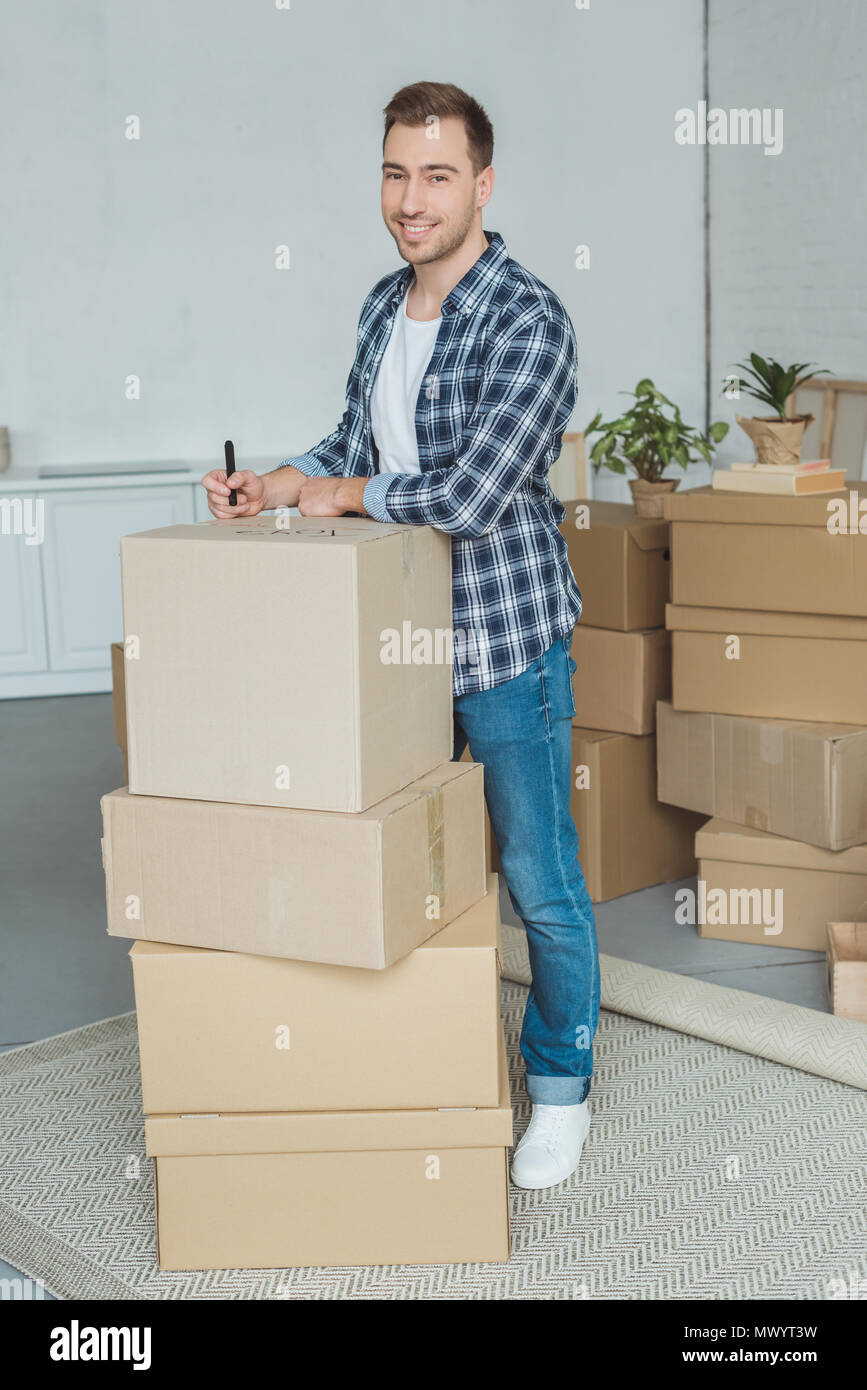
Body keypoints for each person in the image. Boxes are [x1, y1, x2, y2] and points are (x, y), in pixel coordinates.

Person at [202, 81, 600, 1190]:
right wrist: (281, 483)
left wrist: (335, 497)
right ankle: (414, 1059)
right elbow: (354, 437)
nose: (409, 199)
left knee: (537, 875)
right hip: (396, 654)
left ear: (481, 184)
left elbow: (473, 493)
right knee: (409, 868)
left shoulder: (530, 317)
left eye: (434, 174)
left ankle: (562, 1085)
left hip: (503, 648)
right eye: (394, 171)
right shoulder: (384, 304)